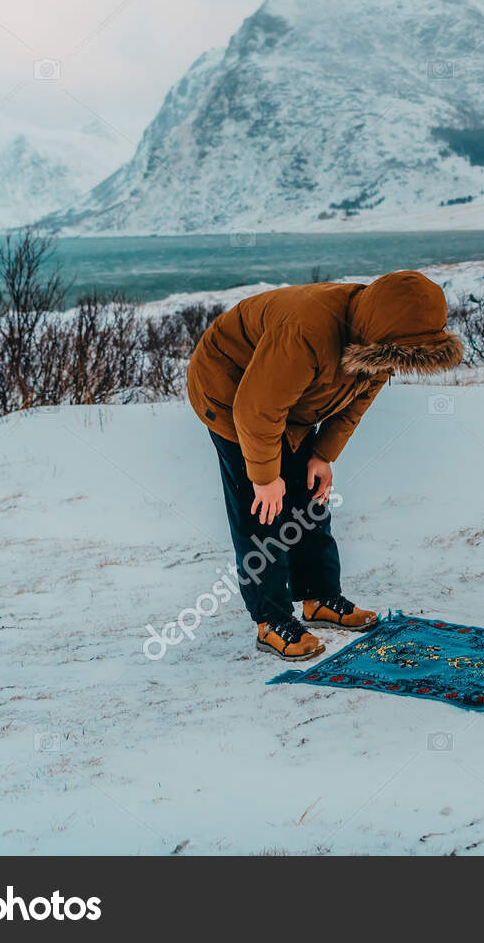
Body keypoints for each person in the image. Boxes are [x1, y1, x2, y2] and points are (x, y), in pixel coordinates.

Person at [187, 270, 462, 660]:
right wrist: (265, 478)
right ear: (375, 333)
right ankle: (271, 621)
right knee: (264, 511)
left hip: (290, 401)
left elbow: (357, 400)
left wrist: (322, 455)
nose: (395, 366)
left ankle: (319, 600)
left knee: (311, 498)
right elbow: (256, 410)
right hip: (231, 394)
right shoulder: (307, 331)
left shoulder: (386, 339)